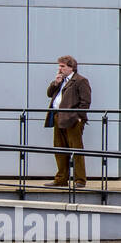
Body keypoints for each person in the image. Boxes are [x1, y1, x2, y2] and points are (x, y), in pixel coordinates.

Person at [45, 55, 91, 187]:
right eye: (59, 66)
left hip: (72, 119)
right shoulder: (61, 80)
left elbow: (86, 101)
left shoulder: (80, 81)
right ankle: (61, 179)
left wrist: (78, 117)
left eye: (62, 66)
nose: (59, 69)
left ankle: (80, 180)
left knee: (76, 149)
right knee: (59, 149)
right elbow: (49, 94)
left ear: (71, 67)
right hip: (57, 117)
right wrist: (56, 83)